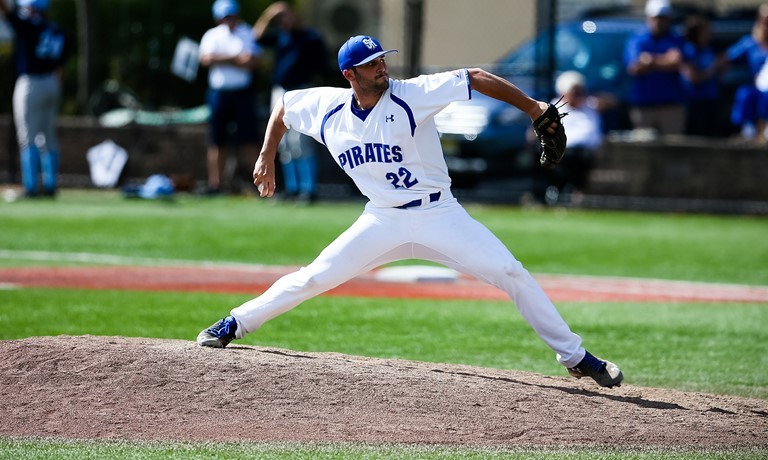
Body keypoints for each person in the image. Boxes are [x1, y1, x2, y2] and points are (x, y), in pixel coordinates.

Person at [196, 35, 624, 389]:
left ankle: (576, 357)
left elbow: (474, 77)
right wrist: (266, 154)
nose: (380, 67)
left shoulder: (410, 96)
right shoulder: (328, 108)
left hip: (441, 216)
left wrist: (534, 108)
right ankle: (234, 323)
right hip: (381, 218)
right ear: (350, 75)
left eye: (381, 59)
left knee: (511, 273)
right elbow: (286, 107)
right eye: (370, 64)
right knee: (314, 276)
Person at [253, 2, 329, 204]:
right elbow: (256, 37)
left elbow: (323, 64)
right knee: (284, 143)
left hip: (302, 90)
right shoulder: (280, 36)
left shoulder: (309, 37)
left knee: (301, 141)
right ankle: (293, 189)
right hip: (280, 92)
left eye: (287, 17)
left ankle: (309, 189)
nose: (285, 21)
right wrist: (269, 14)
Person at [0, 0, 70, 198]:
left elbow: (7, 12)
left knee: (28, 136)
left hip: (31, 83)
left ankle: (30, 187)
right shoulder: (57, 30)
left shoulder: (28, 24)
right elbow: (61, 64)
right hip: (52, 82)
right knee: (48, 137)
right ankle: (50, 186)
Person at [199, 0, 262, 194]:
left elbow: (254, 61)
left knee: (249, 139)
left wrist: (222, 59)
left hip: (242, 93)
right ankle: (215, 183)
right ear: (219, 17)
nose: (229, 20)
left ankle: (259, 184)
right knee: (217, 140)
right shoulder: (212, 35)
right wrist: (235, 58)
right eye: (226, 16)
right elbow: (205, 59)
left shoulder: (247, 32)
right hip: (219, 93)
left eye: (232, 15)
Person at [537, 71, 613, 204]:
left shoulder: (590, 104)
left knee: (582, 160)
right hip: (563, 151)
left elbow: (612, 101)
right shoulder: (554, 108)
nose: (578, 96)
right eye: (574, 92)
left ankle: (578, 195)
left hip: (588, 152)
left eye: (580, 92)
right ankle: (559, 194)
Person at [624, 0, 686, 135]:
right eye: (655, 18)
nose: (659, 21)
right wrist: (665, 60)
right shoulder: (637, 39)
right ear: (648, 18)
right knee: (643, 150)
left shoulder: (676, 39)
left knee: (673, 147)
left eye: (663, 18)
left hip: (671, 105)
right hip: (643, 105)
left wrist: (650, 60)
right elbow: (634, 67)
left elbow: (676, 62)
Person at [722, 3, 768, 142]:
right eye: (765, 20)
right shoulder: (750, 43)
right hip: (758, 91)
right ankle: (749, 134)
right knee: (745, 94)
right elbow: (727, 58)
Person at [680, 14, 724, 137]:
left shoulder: (708, 49)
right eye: (706, 30)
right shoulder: (687, 50)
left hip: (711, 100)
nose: (710, 33)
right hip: (693, 103)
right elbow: (694, 78)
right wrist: (714, 69)